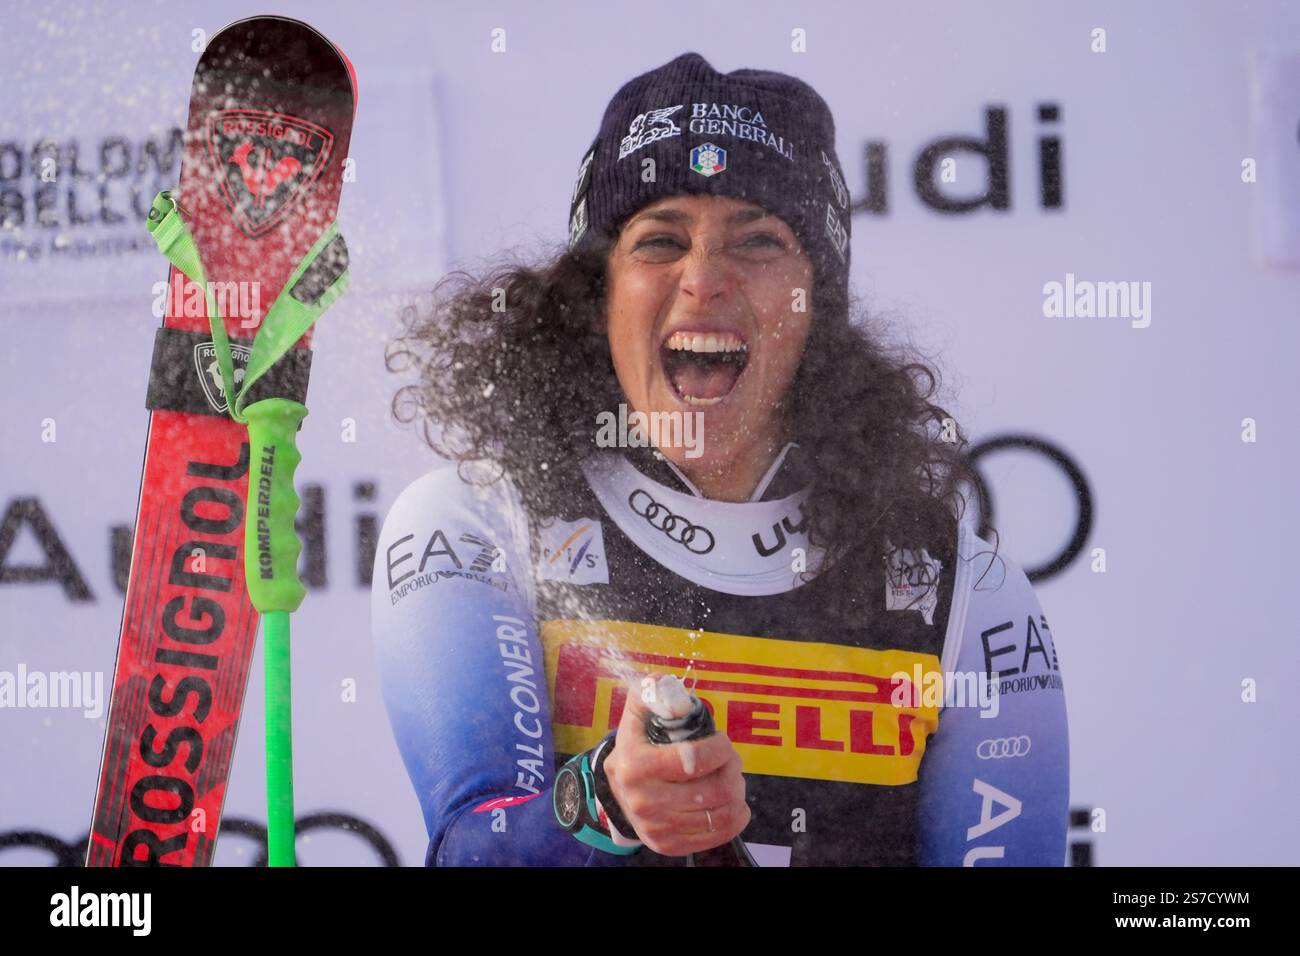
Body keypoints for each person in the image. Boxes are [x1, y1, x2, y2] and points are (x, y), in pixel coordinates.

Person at [371, 52, 1070, 866]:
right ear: (598, 297)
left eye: (759, 241)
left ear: (818, 309)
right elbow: (468, 848)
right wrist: (605, 805)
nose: (703, 279)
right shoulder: (476, 522)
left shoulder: (966, 594)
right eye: (660, 240)